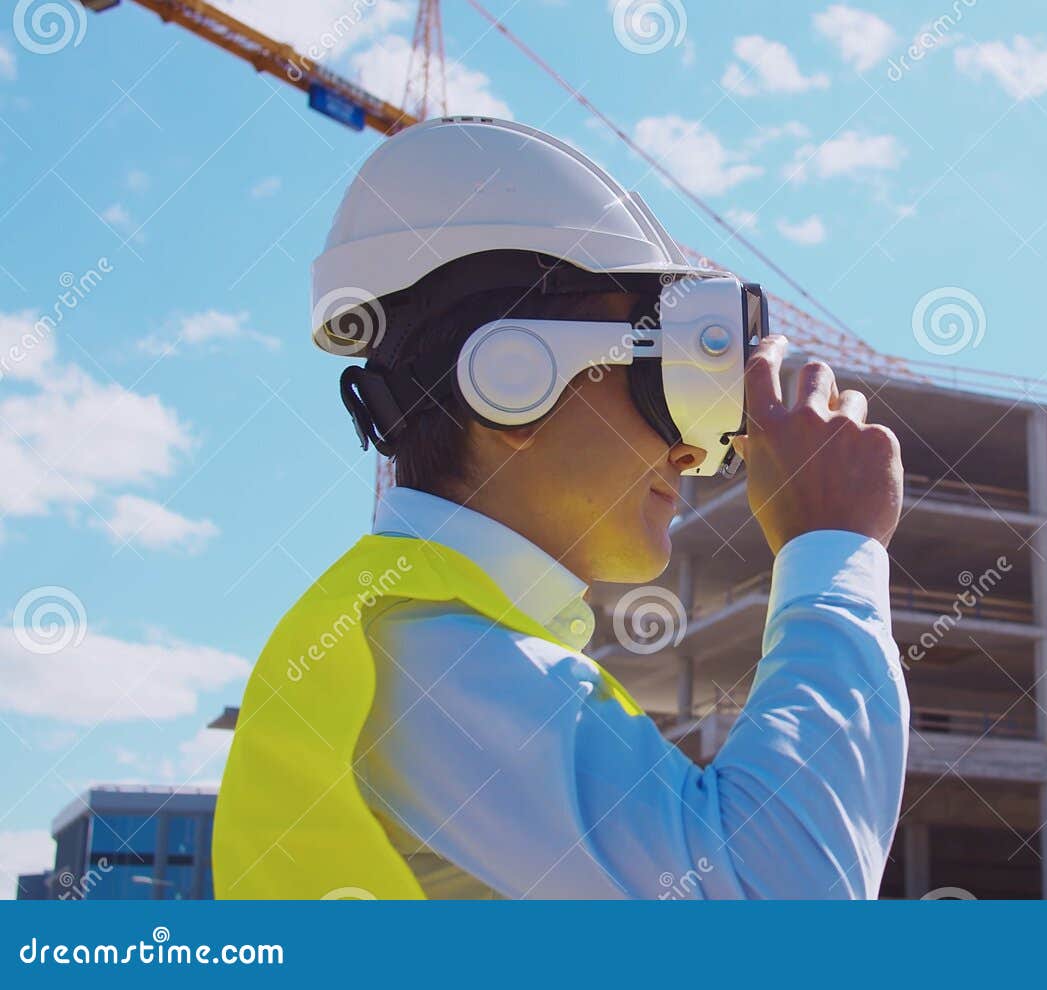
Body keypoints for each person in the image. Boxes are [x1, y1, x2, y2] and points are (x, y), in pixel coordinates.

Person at [212, 117, 909, 900]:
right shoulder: (430, 659)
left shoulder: (421, 644)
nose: (688, 451)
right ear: (512, 382)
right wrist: (834, 549)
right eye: (660, 380)